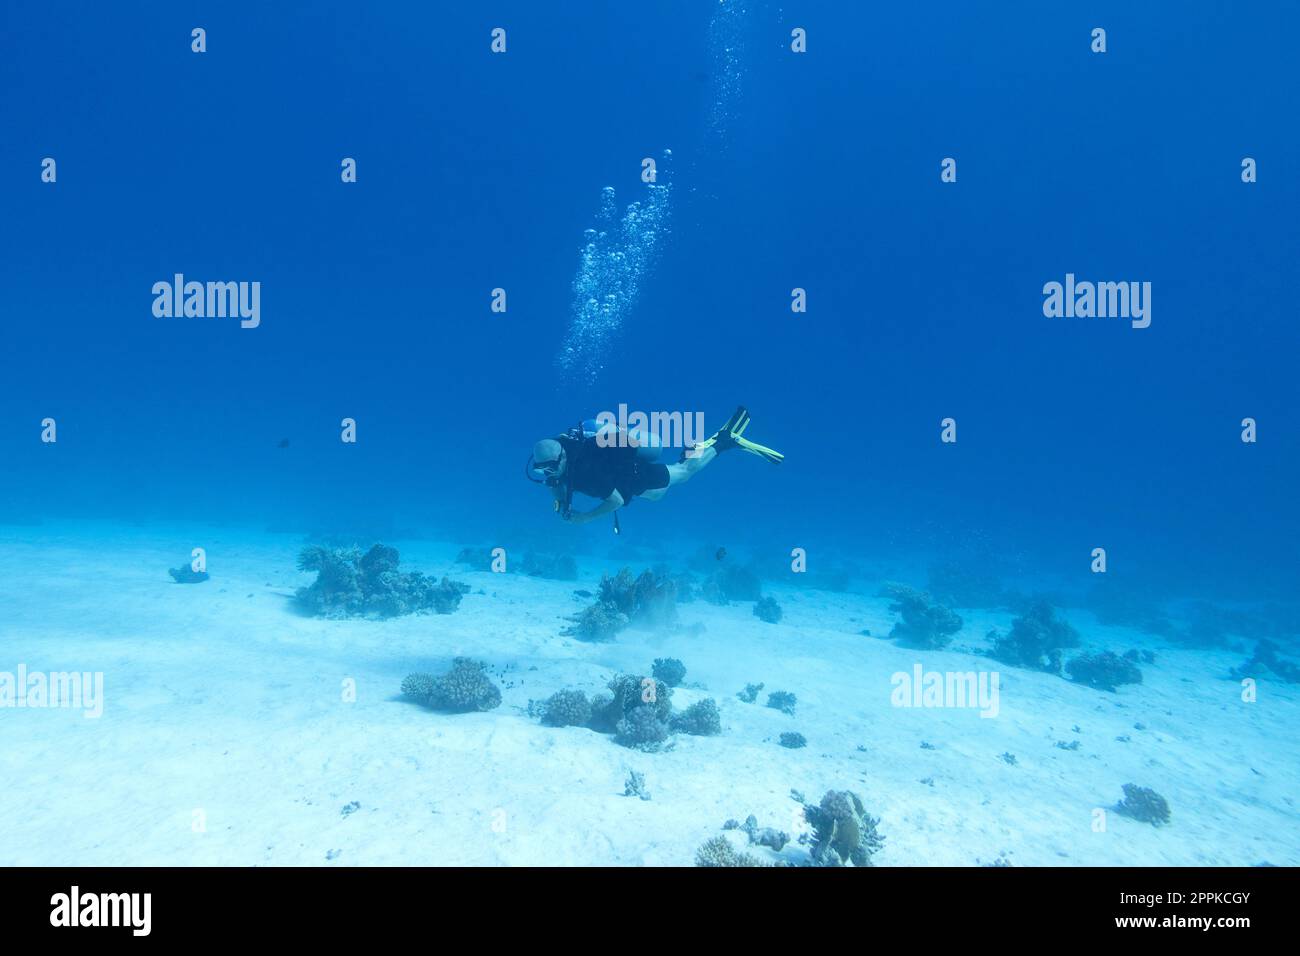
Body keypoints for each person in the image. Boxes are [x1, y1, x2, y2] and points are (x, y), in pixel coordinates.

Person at [526, 407, 783, 526]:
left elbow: (614, 501)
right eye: (541, 471)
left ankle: (725, 440)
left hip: (636, 475)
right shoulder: (556, 456)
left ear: (562, 459)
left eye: (549, 469)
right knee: (659, 496)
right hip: (621, 473)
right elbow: (554, 483)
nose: (546, 475)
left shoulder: (587, 472)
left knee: (684, 473)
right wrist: (560, 504)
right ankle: (694, 449)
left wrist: (585, 517)